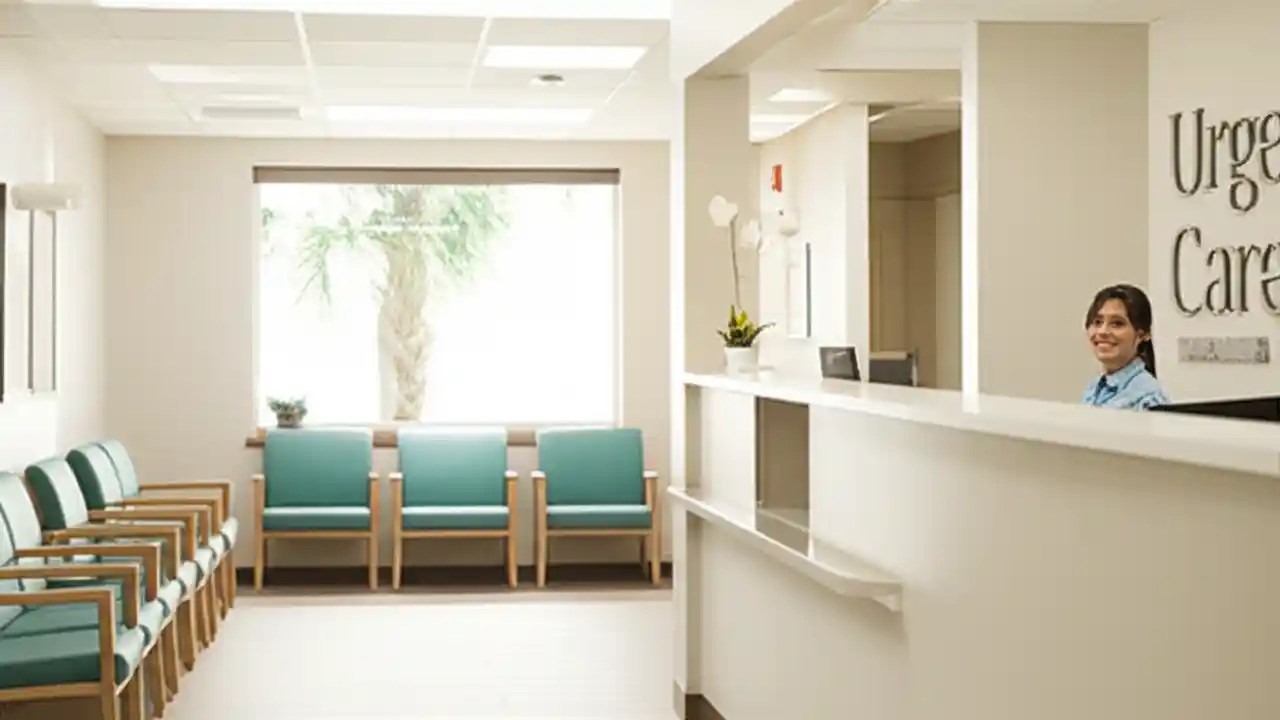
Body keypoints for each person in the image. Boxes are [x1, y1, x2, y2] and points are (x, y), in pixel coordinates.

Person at [1081, 284, 1170, 410]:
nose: (1102, 331)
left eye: (1117, 323)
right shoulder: (1094, 388)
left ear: (1143, 334)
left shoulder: (1149, 399)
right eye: (1097, 322)